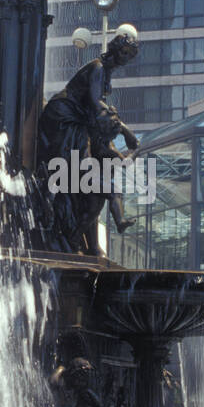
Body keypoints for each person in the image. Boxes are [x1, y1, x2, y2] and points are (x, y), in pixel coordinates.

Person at [37, 28, 140, 253]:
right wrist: (125, 131)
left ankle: (81, 239)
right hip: (64, 117)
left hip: (77, 121)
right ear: (114, 47)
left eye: (129, 56)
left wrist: (125, 154)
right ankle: (55, 219)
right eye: (123, 52)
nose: (125, 59)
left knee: (85, 178)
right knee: (75, 171)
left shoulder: (105, 73)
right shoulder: (98, 68)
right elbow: (95, 104)